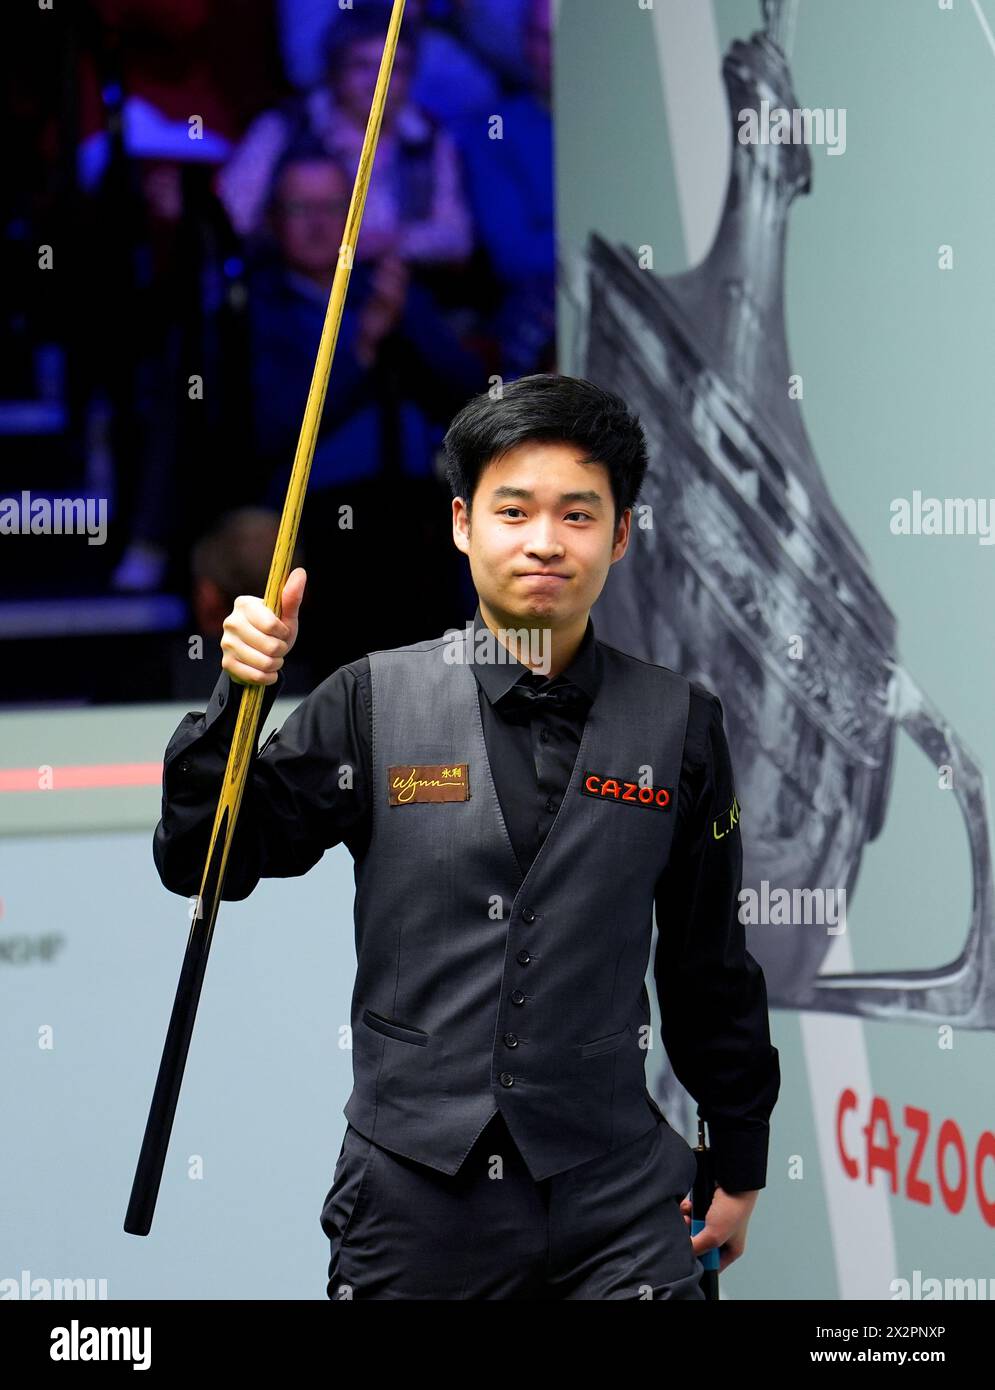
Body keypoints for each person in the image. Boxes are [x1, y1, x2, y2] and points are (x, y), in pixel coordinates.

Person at [152, 373, 780, 1300]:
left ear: (619, 535)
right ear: (461, 524)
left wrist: (739, 1156)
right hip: (412, 1199)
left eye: (576, 515)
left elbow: (707, 965)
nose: (542, 541)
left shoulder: (680, 723)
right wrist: (236, 697)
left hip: (615, 1198)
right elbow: (206, 861)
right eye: (513, 510)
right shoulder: (372, 702)